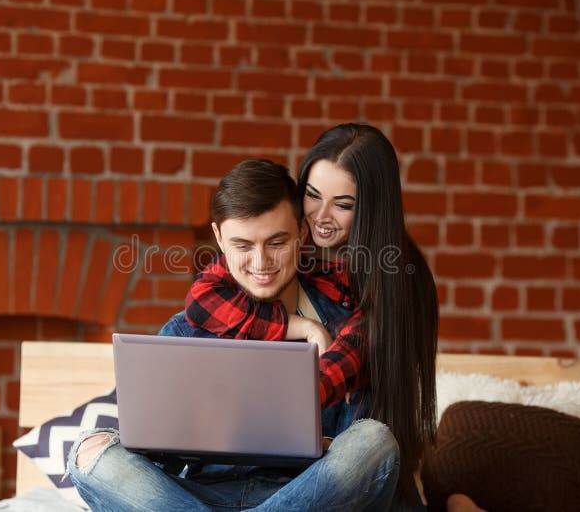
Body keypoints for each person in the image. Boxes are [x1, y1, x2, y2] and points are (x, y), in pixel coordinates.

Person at [66, 159, 404, 511]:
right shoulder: (184, 332)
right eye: (242, 246)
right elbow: (156, 462)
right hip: (199, 495)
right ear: (219, 238)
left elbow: (351, 444)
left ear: (302, 232)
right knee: (89, 452)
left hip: (305, 493)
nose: (261, 262)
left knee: (375, 440)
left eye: (276, 242)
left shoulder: (341, 323)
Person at [185, 124, 439, 507]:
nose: (320, 217)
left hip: (357, 454)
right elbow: (204, 294)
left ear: (372, 208)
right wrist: (298, 326)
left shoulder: (392, 276)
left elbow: (346, 360)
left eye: (343, 205)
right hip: (273, 478)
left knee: (368, 445)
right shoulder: (289, 242)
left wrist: (269, 417)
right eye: (312, 196)